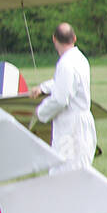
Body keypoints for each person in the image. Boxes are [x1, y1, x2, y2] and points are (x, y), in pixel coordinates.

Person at [28, 22, 96, 172]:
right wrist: (42, 88)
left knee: (65, 173)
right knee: (77, 171)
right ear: (74, 38)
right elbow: (64, 83)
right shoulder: (80, 59)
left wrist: (40, 112)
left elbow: (60, 99)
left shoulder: (65, 63)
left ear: (54, 39)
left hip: (71, 127)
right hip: (82, 122)